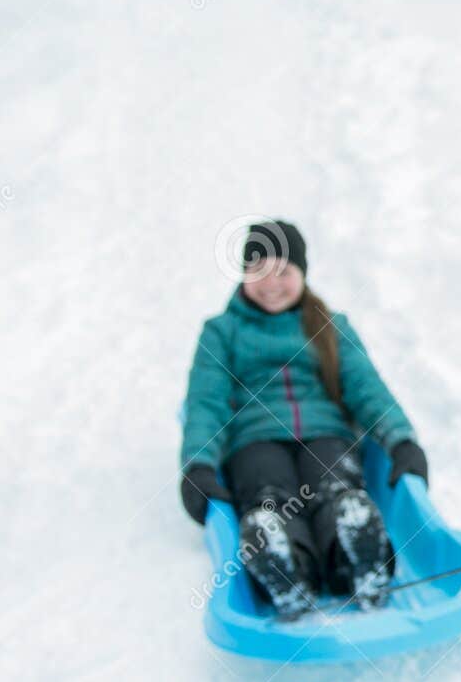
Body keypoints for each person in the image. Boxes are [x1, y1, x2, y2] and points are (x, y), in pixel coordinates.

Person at [178, 220, 428, 620]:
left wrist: (401, 440)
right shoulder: (222, 332)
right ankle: (288, 569)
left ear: (303, 274)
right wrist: (199, 466)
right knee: (269, 497)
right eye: (259, 270)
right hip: (254, 439)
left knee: (335, 489)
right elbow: (206, 403)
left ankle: (358, 561)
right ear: (243, 273)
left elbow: (366, 387)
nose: (271, 282)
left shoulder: (329, 325)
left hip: (325, 432)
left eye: (284, 271)